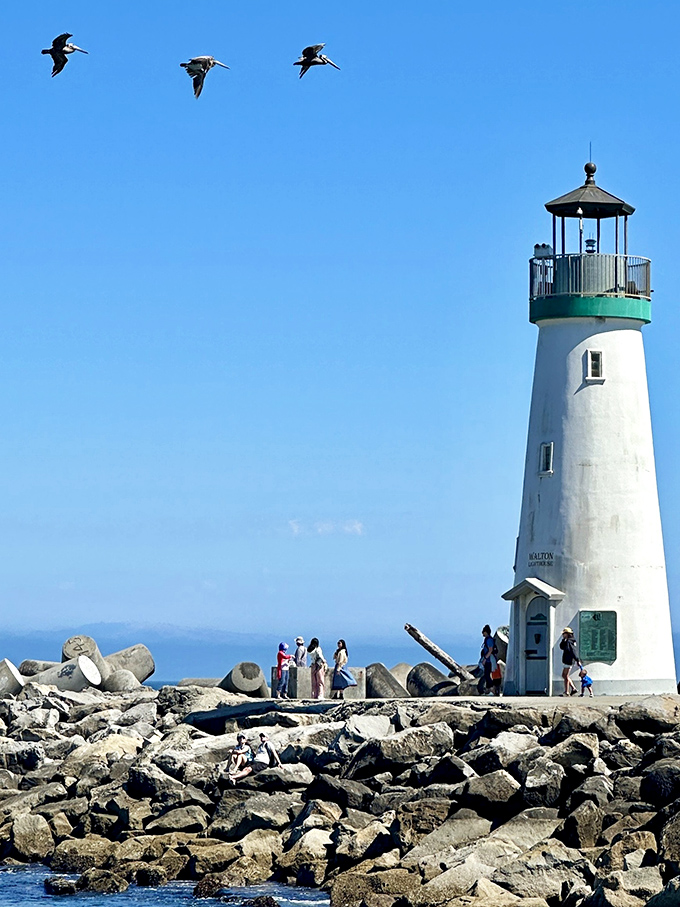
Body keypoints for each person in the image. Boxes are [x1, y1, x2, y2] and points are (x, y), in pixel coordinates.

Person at [560, 627, 580, 696]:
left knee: (565, 675)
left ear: (567, 634)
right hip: (568, 660)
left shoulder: (569, 642)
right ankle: (573, 689)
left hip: (568, 660)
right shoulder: (569, 641)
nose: (563, 635)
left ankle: (567, 691)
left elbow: (572, 651)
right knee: (565, 675)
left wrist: (577, 660)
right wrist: (563, 640)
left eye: (564, 634)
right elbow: (561, 647)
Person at [477, 625, 496, 695]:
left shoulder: (489, 640)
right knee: (486, 674)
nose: (482, 634)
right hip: (487, 659)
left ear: (486, 632)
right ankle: (488, 689)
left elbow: (490, 650)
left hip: (489, 660)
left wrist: (485, 659)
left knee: (487, 675)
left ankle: (492, 688)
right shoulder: (487, 639)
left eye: (483, 632)